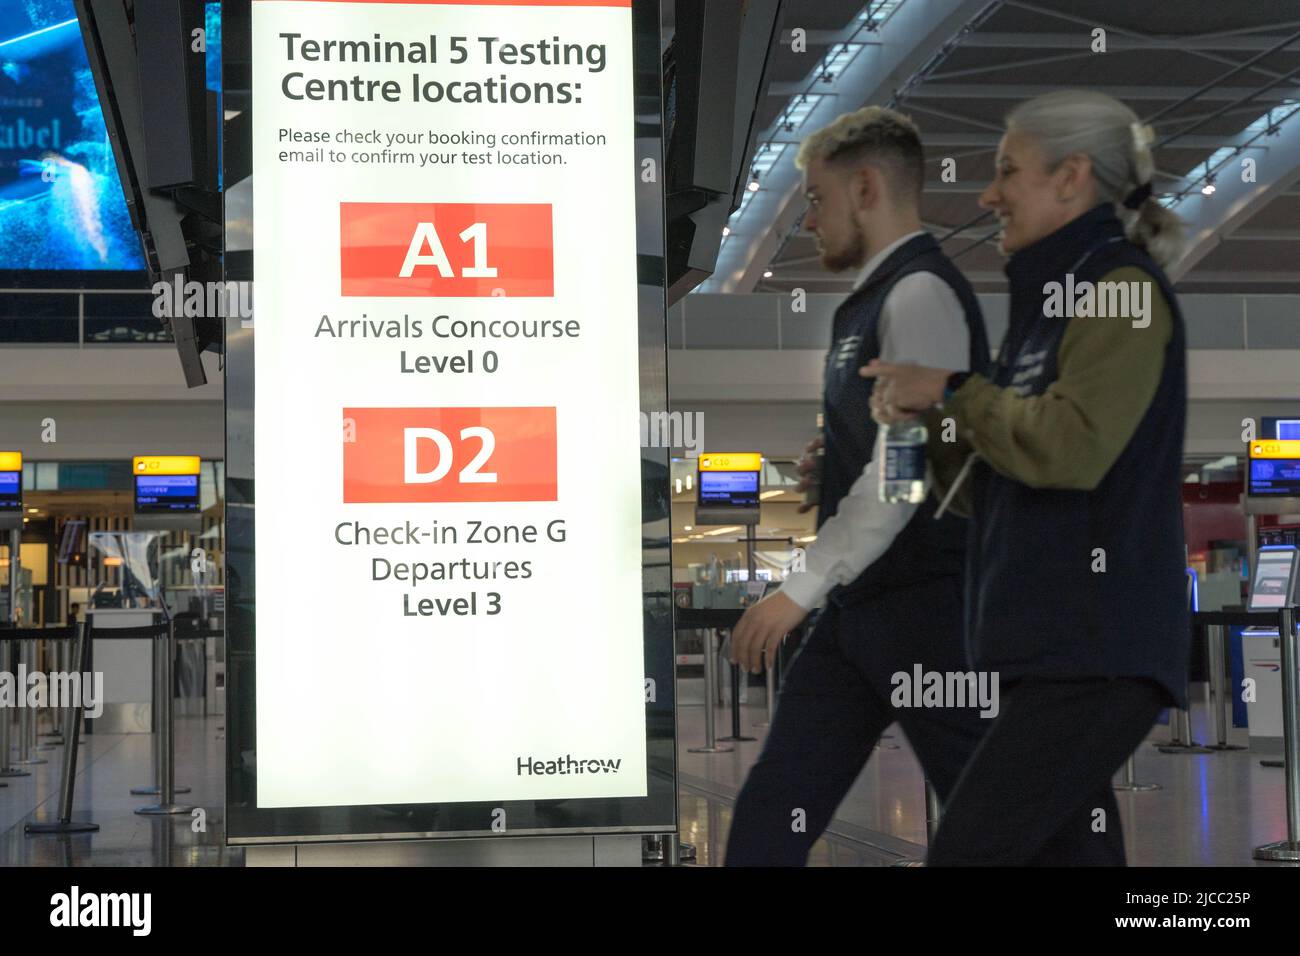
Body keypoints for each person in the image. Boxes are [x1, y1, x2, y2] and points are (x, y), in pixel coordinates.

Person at [863, 90, 1190, 865]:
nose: (987, 195)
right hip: (1047, 651)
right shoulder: (1049, 305)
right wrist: (931, 419)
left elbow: (1071, 450)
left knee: (970, 853)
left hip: (1094, 653)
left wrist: (952, 389)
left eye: (1006, 171)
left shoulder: (1120, 292)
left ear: (1071, 177)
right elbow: (1000, 484)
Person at [723, 106, 991, 866]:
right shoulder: (872, 303)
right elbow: (898, 446)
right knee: (776, 807)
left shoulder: (920, 296)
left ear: (866, 186)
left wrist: (796, 588)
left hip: (931, 612)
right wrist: (833, 459)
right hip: (863, 613)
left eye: (815, 198)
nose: (808, 218)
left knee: (996, 819)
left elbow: (904, 477)